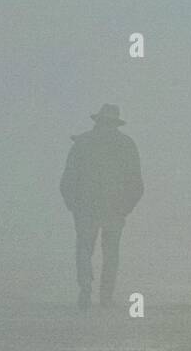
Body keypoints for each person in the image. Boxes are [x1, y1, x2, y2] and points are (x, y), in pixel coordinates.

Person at [60, 104, 143, 310]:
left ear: (97, 121)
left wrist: (74, 206)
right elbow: (136, 184)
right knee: (110, 253)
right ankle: (105, 296)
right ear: (115, 123)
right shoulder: (126, 145)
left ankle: (86, 288)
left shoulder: (82, 143)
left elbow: (67, 180)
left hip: (87, 209)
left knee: (84, 249)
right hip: (113, 209)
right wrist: (125, 207)